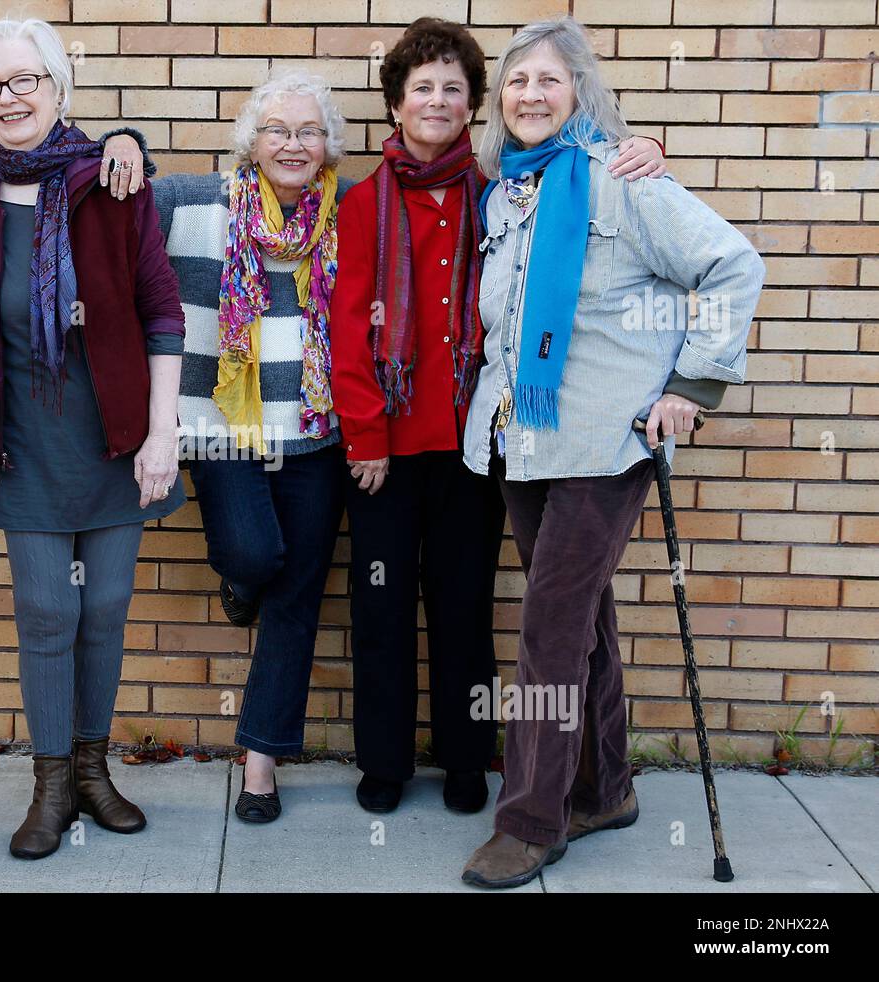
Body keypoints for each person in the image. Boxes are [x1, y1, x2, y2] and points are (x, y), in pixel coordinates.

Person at [330, 17, 666, 816]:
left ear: (473, 103)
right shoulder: (362, 204)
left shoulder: (504, 189)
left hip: (477, 440)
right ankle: (383, 762)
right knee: (379, 603)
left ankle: (464, 756)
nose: (438, 102)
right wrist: (366, 435)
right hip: (388, 442)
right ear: (397, 104)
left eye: (454, 88)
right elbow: (344, 327)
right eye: (423, 89)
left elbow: (597, 186)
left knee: (464, 603)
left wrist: (646, 149)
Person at [458, 16, 763, 888]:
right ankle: (605, 787)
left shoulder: (622, 180)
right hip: (522, 439)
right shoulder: (505, 190)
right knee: (581, 621)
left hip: (604, 440)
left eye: (549, 80)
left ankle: (530, 821)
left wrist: (690, 388)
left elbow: (732, 265)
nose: (531, 95)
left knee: (550, 626)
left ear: (579, 93)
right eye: (517, 82)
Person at [0, 18, 185, 861]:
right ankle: (48, 786)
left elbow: (160, 312)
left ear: (58, 86)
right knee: (49, 609)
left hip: (114, 435)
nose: (8, 99)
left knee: (105, 609)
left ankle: (92, 770)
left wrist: (162, 434)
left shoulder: (113, 181)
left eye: (24, 80)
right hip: (19, 440)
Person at [103, 71, 351, 822]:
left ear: (327, 146)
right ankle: (239, 584)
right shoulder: (196, 202)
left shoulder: (346, 216)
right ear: (251, 140)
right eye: (277, 130)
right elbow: (115, 193)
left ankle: (261, 763)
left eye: (309, 132)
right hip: (222, 433)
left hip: (315, 433)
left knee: (298, 601)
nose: (293, 145)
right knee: (253, 556)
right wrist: (126, 141)